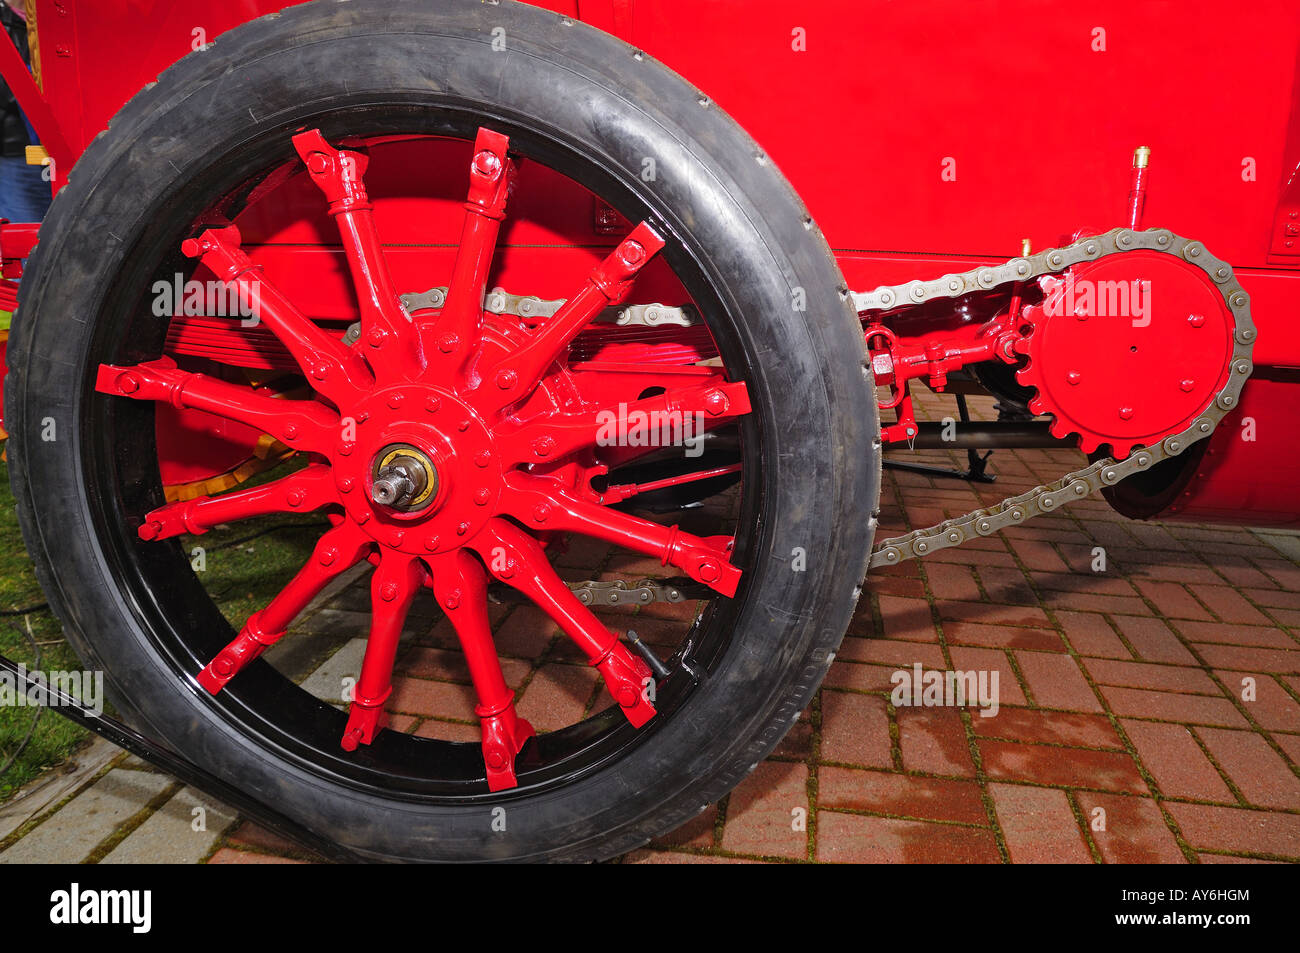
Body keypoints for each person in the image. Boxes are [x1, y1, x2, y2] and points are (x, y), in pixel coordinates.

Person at [0, 0, 52, 223]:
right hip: (18, 149)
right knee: (30, 235)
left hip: (71, 150)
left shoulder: (57, 14)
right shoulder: (5, 19)